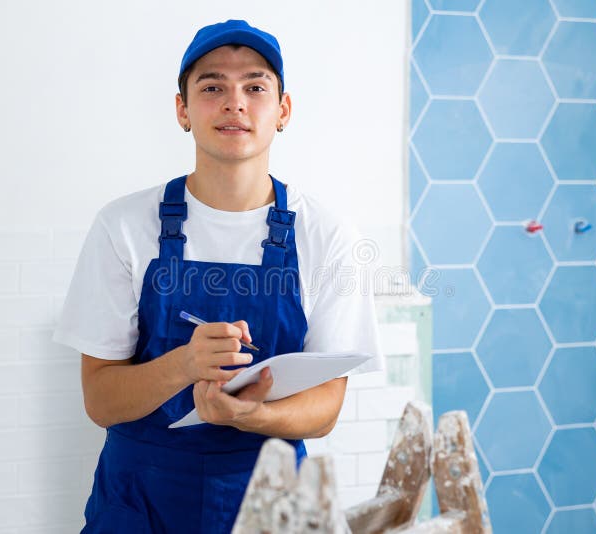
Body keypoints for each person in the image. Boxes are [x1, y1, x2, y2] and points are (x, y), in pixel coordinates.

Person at [53, 19, 383, 533]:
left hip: (270, 500)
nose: (235, 102)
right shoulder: (123, 227)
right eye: (212, 87)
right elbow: (100, 400)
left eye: (255, 87)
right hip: (142, 502)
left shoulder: (328, 234)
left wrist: (253, 417)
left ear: (283, 110)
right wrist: (185, 364)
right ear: (183, 109)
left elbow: (325, 408)